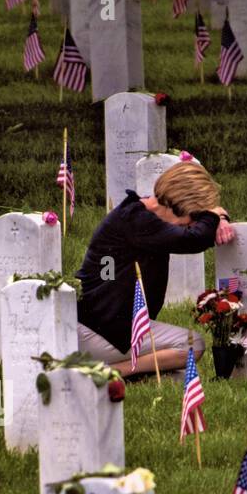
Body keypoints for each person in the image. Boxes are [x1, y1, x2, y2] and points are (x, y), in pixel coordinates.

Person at [75, 161, 235, 378]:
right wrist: (215, 215)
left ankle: (127, 368)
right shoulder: (137, 221)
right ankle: (112, 371)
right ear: (180, 205)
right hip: (100, 330)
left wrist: (217, 216)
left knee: (178, 372)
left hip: (103, 323)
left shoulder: (137, 214)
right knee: (192, 345)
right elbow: (193, 240)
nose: (191, 224)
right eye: (193, 217)